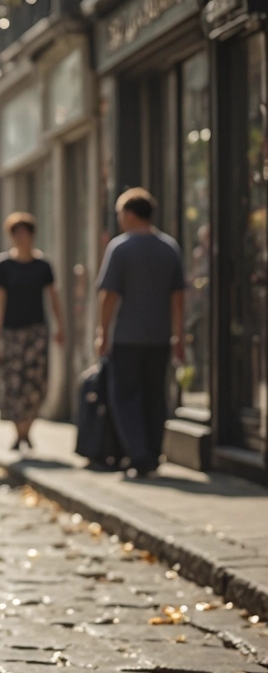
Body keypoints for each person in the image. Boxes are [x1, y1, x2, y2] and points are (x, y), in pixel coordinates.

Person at [96, 188, 185, 479]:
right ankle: (154, 452)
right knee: (155, 396)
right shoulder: (169, 247)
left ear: (131, 214)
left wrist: (102, 332)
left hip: (127, 338)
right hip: (159, 337)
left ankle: (140, 456)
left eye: (120, 212)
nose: (119, 218)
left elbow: (108, 296)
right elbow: (178, 297)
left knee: (125, 396)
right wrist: (179, 335)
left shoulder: (121, 248)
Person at [0, 213, 65, 451]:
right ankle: (19, 432)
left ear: (32, 235)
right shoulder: (3, 266)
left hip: (36, 332)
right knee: (13, 383)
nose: (21, 238)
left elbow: (53, 298)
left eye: (25, 233)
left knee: (36, 382)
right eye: (16, 233)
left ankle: (27, 430)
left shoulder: (43, 266)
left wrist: (60, 326)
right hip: (11, 332)